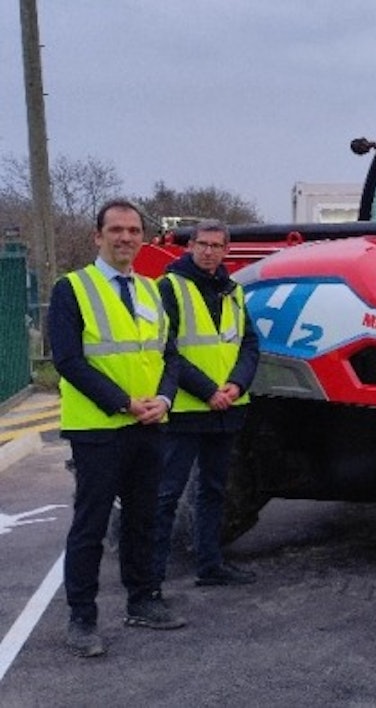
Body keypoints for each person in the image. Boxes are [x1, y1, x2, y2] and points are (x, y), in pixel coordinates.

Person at [49, 199, 187, 658]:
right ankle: (82, 618)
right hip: (98, 428)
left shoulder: (151, 290)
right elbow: (69, 361)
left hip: (149, 424)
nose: (125, 237)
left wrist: (164, 399)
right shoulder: (72, 289)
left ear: (143, 238)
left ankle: (143, 600)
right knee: (90, 524)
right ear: (98, 236)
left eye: (133, 230)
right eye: (116, 230)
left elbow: (170, 356)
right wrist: (124, 403)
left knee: (143, 518)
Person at [151, 219, 260, 591]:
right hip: (185, 409)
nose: (209, 251)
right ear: (190, 246)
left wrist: (236, 384)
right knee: (167, 493)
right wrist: (208, 391)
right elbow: (165, 350)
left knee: (214, 490)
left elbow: (249, 343)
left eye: (216, 245)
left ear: (226, 250)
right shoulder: (169, 287)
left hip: (226, 407)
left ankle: (210, 565)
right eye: (202, 244)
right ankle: (152, 577)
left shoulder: (234, 290)